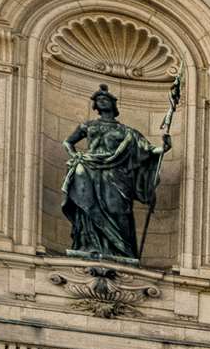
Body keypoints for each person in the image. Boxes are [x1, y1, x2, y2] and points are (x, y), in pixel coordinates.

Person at [59, 84, 168, 261]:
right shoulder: (87, 126)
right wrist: (75, 155)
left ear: (113, 104)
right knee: (84, 197)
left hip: (115, 173)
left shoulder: (126, 132)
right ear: (95, 105)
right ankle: (89, 243)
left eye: (105, 99)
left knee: (117, 209)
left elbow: (147, 150)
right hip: (90, 166)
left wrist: (163, 148)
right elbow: (68, 142)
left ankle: (122, 249)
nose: (102, 101)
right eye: (98, 99)